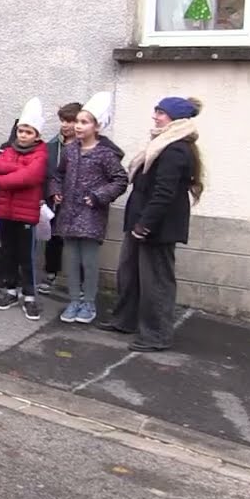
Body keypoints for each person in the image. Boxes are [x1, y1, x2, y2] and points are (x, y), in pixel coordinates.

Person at [101, 96, 205, 352]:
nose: (155, 116)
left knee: (156, 281)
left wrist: (144, 224)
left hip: (156, 228)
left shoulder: (175, 149)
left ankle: (157, 335)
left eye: (161, 113)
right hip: (140, 221)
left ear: (176, 118)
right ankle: (125, 320)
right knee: (130, 273)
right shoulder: (162, 143)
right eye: (156, 111)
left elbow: (164, 193)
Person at [50, 92, 128, 324]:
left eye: (84, 122)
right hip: (69, 213)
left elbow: (120, 180)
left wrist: (98, 196)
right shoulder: (70, 150)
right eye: (77, 122)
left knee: (89, 261)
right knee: (71, 259)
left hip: (91, 214)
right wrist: (56, 190)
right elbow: (57, 174)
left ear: (97, 126)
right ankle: (74, 300)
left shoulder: (105, 154)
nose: (78, 126)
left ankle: (89, 302)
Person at [0, 98, 49, 320]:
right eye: (21, 131)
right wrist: (18, 170)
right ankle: (11, 290)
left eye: (28, 132)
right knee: (8, 252)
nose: (23, 135)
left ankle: (30, 296)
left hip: (26, 214)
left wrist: (4, 180)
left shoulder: (41, 155)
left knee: (27, 256)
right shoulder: (8, 149)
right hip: (6, 211)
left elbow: (31, 176)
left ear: (37, 135)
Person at [40, 101, 83, 293]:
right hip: (54, 201)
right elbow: (48, 174)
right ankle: (51, 274)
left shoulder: (87, 145)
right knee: (53, 238)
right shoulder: (52, 145)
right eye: (63, 121)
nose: (65, 125)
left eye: (70, 121)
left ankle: (80, 283)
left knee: (77, 242)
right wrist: (51, 193)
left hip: (77, 202)